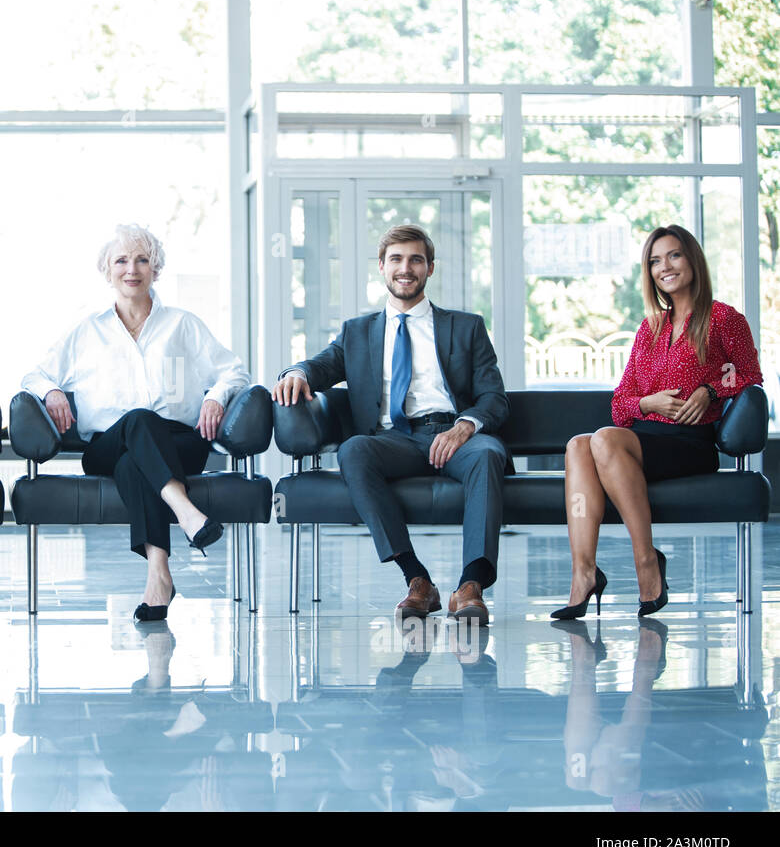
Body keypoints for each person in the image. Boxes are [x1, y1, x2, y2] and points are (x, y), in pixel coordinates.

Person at [273, 223, 509, 624]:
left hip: (454, 436)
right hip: (392, 440)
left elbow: (494, 397)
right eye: (396, 259)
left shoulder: (466, 327)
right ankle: (417, 580)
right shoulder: (357, 332)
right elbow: (320, 365)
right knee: (353, 450)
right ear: (382, 267)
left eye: (416, 259)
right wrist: (295, 372)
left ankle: (470, 586)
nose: (406, 268)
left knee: (489, 454)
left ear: (430, 268)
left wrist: (465, 426)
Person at [20, 223, 249, 623]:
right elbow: (34, 376)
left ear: (156, 270)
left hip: (179, 443)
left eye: (142, 259)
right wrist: (52, 392)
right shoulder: (86, 331)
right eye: (121, 260)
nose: (132, 269)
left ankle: (158, 577)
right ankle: (186, 510)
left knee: (136, 461)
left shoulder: (183, 325)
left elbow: (234, 372)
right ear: (106, 270)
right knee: (137, 424)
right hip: (107, 447)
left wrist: (215, 396)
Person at [552, 224, 762, 620]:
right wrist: (647, 401)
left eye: (674, 255)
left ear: (692, 260)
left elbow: (750, 375)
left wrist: (710, 391)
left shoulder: (723, 318)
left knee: (604, 441)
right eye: (654, 261)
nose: (665, 267)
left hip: (690, 442)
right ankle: (583, 573)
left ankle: (646, 561)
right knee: (580, 444)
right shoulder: (649, 329)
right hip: (641, 439)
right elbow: (620, 406)